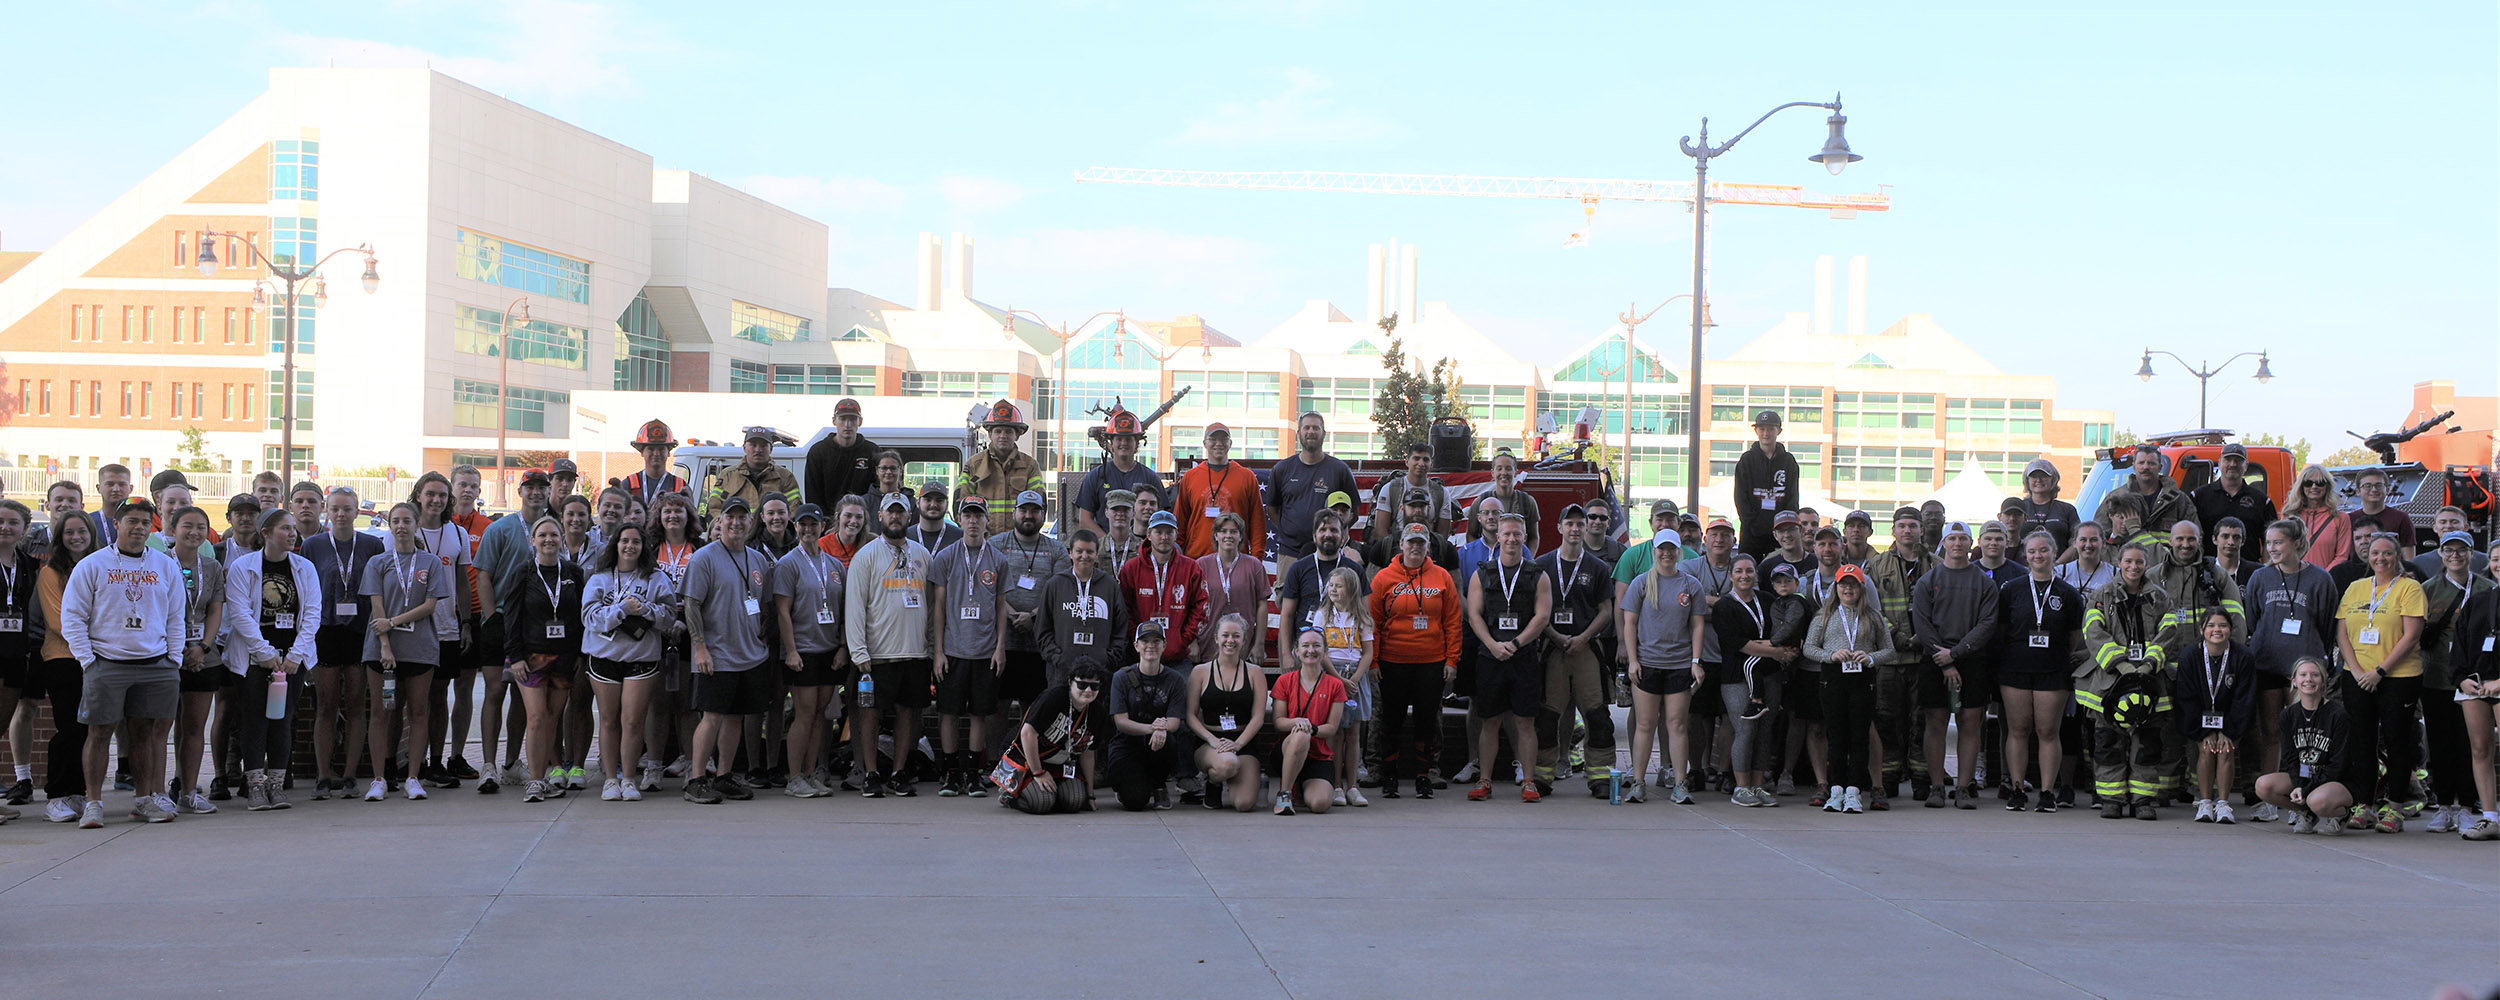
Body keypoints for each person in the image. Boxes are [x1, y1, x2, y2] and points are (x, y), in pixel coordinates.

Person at [60, 499, 186, 827]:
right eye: (132, 521)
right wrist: (88, 660)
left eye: (145, 522)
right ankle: (93, 803)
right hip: (107, 662)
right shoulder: (93, 564)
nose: (139, 527)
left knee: (143, 733)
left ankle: (143, 799)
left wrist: (174, 657)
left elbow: (176, 615)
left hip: (155, 663)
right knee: (99, 732)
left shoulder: (164, 565)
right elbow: (72, 616)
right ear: (117, 524)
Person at [2241, 517, 2340, 823]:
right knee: (2271, 732)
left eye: (2278, 542)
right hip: (2267, 664)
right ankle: (2271, 801)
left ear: (2297, 543)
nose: (2272, 549)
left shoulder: (2321, 579)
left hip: (2306, 669)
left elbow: (2327, 626)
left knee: (2304, 736)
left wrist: (2316, 658)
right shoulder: (2260, 577)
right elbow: (2253, 620)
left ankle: (2305, 795)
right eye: (2269, 543)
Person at [677, 497, 773, 804]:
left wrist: (761, 639)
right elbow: (691, 605)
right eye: (730, 517)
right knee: (712, 717)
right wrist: (700, 648)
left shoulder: (757, 560)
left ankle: (724, 776)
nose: (736, 523)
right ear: (720, 521)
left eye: (742, 517)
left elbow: (764, 604)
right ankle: (696, 780)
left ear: (750, 522)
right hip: (716, 655)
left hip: (749, 655)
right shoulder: (704, 558)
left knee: (735, 717)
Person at [843, 493, 937, 798]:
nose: (895, 517)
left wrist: (931, 648)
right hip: (877, 655)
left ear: (909, 517)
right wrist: (858, 651)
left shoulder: (923, 555)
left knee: (909, 714)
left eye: (901, 512)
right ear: (880, 516)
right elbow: (854, 606)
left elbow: (932, 605)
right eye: (890, 512)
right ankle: (871, 772)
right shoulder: (866, 556)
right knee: (870, 713)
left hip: (915, 651)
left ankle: (898, 772)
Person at [2333, 532, 2424, 833]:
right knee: (2361, 741)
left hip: (2398, 677)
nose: (2380, 558)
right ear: (2367, 556)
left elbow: (2412, 636)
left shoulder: (2409, 588)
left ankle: (2395, 808)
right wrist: (2358, 671)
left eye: (2387, 553)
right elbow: (2342, 633)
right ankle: (2365, 805)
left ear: (2397, 556)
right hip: (2357, 676)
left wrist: (2380, 672)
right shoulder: (2356, 588)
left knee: (2397, 741)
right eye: (2375, 553)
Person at [360, 502, 450, 802]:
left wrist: (393, 622)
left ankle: (413, 777)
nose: (401, 526)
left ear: (416, 525)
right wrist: (385, 643)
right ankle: (379, 779)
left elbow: (430, 605)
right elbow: (377, 606)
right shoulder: (378, 562)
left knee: (419, 711)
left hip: (419, 648)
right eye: (396, 521)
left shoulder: (431, 563)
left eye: (407, 521)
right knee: (382, 712)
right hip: (381, 649)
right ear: (390, 526)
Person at [473, 469, 555, 793]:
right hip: (500, 621)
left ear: (548, 492)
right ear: (519, 492)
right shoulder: (500, 529)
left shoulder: (552, 529)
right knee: (495, 692)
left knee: (524, 697)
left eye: (541, 487)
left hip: (533, 628)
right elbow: (483, 575)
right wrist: (491, 618)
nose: (536, 492)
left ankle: (510, 763)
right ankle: (488, 766)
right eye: (529, 487)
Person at [2079, 542, 2174, 820]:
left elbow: (2169, 632)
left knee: (2147, 745)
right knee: (2108, 744)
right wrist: (2120, 665)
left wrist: (2147, 665)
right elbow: (2093, 631)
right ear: (2119, 563)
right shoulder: (2101, 595)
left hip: (2150, 682)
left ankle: (2142, 801)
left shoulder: (2160, 598)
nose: (2134, 566)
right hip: (2109, 682)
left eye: (2139, 562)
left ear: (2147, 565)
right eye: (2128, 561)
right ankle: (2112, 800)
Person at [583, 520, 676, 802]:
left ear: (643, 546)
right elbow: (589, 618)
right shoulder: (599, 578)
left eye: (636, 541)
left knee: (634, 721)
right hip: (604, 657)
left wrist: (645, 609)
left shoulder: (656, 579)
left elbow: (669, 616)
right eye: (625, 541)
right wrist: (622, 609)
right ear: (616, 545)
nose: (630, 546)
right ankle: (611, 779)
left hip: (641, 658)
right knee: (609, 720)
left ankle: (628, 779)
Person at [302, 486, 384, 798]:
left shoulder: (372, 545)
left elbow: (378, 588)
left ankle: (350, 775)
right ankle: (324, 775)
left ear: (356, 511)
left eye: (347, 509)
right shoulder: (312, 545)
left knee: (356, 704)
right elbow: (306, 588)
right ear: (327, 510)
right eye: (335, 508)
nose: (340, 514)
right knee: (326, 705)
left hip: (360, 631)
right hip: (324, 631)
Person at [1368, 523, 1461, 799]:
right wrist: (1373, 662)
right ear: (1401, 545)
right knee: (1391, 721)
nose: (1415, 547)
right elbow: (1372, 624)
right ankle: (1389, 776)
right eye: (1411, 542)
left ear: (1428, 547)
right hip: (1392, 661)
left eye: (1421, 543)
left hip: (1431, 662)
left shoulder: (1442, 577)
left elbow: (1453, 622)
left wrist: (1452, 660)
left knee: (1426, 722)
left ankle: (1423, 776)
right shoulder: (1383, 578)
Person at [1911, 522, 2000, 808]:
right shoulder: (1928, 581)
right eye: (1952, 538)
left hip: (1972, 660)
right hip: (1935, 659)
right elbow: (1922, 623)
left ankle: (1963, 787)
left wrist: (1957, 654)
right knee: (1935, 722)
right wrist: (1944, 661)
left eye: (1963, 538)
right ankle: (1937, 786)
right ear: (1944, 543)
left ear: (1971, 544)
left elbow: (1987, 623)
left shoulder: (1984, 582)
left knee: (1970, 723)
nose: (1957, 543)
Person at [501, 515, 585, 804]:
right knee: (536, 716)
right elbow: (511, 617)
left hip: (565, 658)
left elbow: (580, 617)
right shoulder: (522, 573)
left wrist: (579, 654)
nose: (549, 539)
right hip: (531, 657)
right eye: (543, 535)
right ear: (533, 540)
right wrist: (514, 656)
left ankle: (546, 777)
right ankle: (535, 781)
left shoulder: (573, 572)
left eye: (554, 535)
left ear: (562, 539)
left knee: (551, 717)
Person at [1535, 504, 1617, 798]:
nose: (1575, 528)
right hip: (1552, 650)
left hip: (1586, 650)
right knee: (1547, 717)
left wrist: (1583, 637)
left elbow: (1606, 611)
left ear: (1585, 528)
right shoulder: (1541, 565)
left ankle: (1600, 776)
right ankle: (1542, 775)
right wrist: (1555, 636)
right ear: (1559, 528)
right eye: (1569, 523)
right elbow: (1535, 610)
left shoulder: (1598, 568)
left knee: (1597, 716)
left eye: (1580, 524)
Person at [928, 496, 1008, 797]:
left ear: (987, 521)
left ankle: (973, 775)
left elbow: (1001, 606)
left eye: (978, 516)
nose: (973, 521)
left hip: (985, 651)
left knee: (979, 714)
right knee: (948, 713)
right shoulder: (946, 557)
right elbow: (938, 607)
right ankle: (951, 774)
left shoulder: (998, 559)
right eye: (968, 515)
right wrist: (938, 651)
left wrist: (1000, 647)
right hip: (952, 650)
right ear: (959, 519)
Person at [1621, 531, 1708, 804]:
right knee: (1645, 724)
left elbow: (1697, 625)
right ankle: (1638, 782)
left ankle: (1680, 784)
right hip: (1647, 663)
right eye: (1662, 549)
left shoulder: (1690, 584)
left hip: (1679, 665)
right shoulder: (1641, 583)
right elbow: (1629, 623)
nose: (1666, 554)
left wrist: (1695, 662)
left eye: (1671, 549)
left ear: (1679, 551)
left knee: (1677, 724)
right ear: (1654, 551)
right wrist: (1633, 660)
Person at [2417, 531, 2493, 833]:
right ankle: (2444, 806)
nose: (2455, 556)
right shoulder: (2428, 589)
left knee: (2470, 745)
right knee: (2440, 743)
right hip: (2436, 677)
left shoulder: (2487, 588)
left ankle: (2467, 807)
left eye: (2462, 550)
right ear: (2440, 554)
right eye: (2449, 550)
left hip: (2474, 680)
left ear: (2472, 554)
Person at [1805, 565, 1895, 814]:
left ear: (1861, 588)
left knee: (1859, 735)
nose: (1848, 589)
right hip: (1833, 677)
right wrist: (1831, 655)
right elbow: (1809, 648)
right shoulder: (1824, 615)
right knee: (1836, 735)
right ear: (1836, 587)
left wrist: (1871, 657)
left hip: (1863, 678)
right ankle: (1836, 790)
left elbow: (1889, 650)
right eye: (1843, 584)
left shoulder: (1873, 616)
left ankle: (1854, 791)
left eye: (1853, 584)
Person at [407, 473, 477, 790]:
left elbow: (462, 582)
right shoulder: (406, 529)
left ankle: (436, 762)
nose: (436, 500)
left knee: (439, 697)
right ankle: (411, 763)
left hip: (446, 628)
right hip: (411, 628)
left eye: (442, 495)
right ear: (418, 495)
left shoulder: (457, 533)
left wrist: (466, 623)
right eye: (430, 494)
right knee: (412, 700)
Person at [1862, 506, 1930, 802]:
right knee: (1887, 720)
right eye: (1902, 526)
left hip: (1925, 658)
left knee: (1921, 722)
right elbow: (1869, 607)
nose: (1907, 531)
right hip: (1890, 657)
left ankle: (1921, 778)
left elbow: (1942, 608)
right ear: (1893, 530)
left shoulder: (1936, 564)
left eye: (1913, 526)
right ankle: (1888, 777)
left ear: (1921, 530)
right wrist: (1896, 635)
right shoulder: (1876, 565)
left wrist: (1924, 636)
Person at [1711, 554, 1790, 806]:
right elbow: (1738, 644)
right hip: (1736, 676)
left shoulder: (1767, 600)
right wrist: (1776, 652)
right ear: (1731, 576)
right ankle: (1741, 787)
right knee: (1745, 729)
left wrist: (1783, 649)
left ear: (1756, 574)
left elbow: (1782, 630)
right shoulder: (1724, 606)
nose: (1744, 575)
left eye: (1749, 571)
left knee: (1765, 731)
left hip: (1769, 674)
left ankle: (1757, 785)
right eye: (1739, 571)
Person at [158, 506, 221, 814]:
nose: (194, 532)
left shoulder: (211, 566)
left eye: (201, 527)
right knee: (161, 728)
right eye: (187, 526)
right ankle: (156, 792)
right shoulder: (157, 563)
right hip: (165, 655)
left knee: (194, 727)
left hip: (202, 655)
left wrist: (203, 647)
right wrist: (177, 650)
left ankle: (189, 792)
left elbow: (215, 610)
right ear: (173, 529)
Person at [36, 512, 97, 820]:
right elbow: (59, 622)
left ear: (91, 534)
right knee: (69, 728)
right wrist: (99, 636)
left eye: (82, 531)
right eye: (69, 532)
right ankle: (57, 795)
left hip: (97, 658)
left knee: (89, 729)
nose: (76, 537)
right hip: (63, 658)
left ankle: (78, 793)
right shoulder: (50, 573)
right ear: (59, 537)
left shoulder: (99, 567)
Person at [2172, 607, 2257, 824]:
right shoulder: (2190, 656)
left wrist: (2229, 731)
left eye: (2222, 625)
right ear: (2202, 629)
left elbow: (2244, 699)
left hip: (2231, 718)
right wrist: (2204, 732)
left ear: (2231, 629)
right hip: (2200, 718)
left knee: (2226, 749)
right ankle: (2205, 802)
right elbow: (2186, 697)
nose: (2217, 630)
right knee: (2206, 748)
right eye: (2211, 625)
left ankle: (2224, 804)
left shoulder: (2243, 656)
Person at [2255, 657, 2356, 836]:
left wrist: (2306, 790)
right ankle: (2306, 813)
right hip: (2305, 775)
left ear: (2323, 681)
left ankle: (2341, 814)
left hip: (2337, 781)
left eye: (2315, 675)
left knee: (2317, 800)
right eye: (2303, 675)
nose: (2308, 679)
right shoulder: (2288, 715)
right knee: (2263, 785)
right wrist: (2298, 785)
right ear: (2294, 681)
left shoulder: (2338, 715)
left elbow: (2338, 764)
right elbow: (2290, 758)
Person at [646, 491, 704, 789]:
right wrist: (661, 621)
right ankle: (653, 767)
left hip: (690, 632)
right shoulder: (649, 548)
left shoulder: (700, 548)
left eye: (678, 511)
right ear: (659, 516)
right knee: (657, 705)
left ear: (688, 515)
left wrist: (684, 621)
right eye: (667, 511)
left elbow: (708, 591)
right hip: (655, 633)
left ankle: (693, 767)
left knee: (687, 705)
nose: (672, 516)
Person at [997, 662, 1109, 814]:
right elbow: (1027, 733)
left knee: (1075, 800)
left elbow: (1088, 753)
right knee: (1042, 802)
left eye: (1094, 686)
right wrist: (1038, 772)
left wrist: (1090, 795)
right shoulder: (1055, 697)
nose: (1088, 690)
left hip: (1059, 761)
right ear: (1070, 682)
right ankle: (1010, 796)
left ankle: (1047, 794)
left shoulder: (1097, 711)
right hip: (1025, 755)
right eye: (1082, 685)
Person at [1305, 566, 1375, 807]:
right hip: (1331, 674)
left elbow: (1368, 653)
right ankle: (1335, 785)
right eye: (1331, 586)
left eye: (1339, 586)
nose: (1333, 590)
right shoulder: (1322, 615)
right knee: (1335, 732)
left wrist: (1355, 678)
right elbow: (1320, 651)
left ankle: (1352, 786)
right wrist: (1338, 679)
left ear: (1351, 589)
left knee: (1353, 733)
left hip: (1355, 676)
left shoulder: (1362, 617)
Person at [996, 491, 1070, 708]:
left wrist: (1033, 617)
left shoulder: (1057, 549)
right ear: (1014, 513)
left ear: (1043, 515)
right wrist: (1012, 615)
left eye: (1035, 510)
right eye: (1023, 510)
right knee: (997, 708)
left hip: (1040, 646)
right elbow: (989, 588)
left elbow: (1061, 591)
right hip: (1002, 644)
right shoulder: (995, 545)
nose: (1028, 515)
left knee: (1033, 709)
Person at [1187, 615, 1267, 812]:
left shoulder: (1255, 672)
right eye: (1225, 635)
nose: (1230, 640)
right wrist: (1212, 740)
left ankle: (1234, 778)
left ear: (1244, 640)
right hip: (1210, 741)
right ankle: (1214, 781)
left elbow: (1258, 717)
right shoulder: (1200, 672)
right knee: (1228, 764)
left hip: (1243, 741)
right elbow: (1190, 715)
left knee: (1243, 804)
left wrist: (1238, 744)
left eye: (1236, 636)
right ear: (1216, 638)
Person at [1106, 623, 1189, 810]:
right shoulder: (1121, 677)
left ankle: (1159, 784)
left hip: (1157, 744)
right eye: (1145, 641)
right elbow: (1121, 722)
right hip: (1127, 744)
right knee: (1135, 801)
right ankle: (1129, 785)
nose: (1150, 645)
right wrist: (1154, 728)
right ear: (1136, 646)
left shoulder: (1175, 679)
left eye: (1156, 641)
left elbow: (1175, 722)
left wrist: (1161, 729)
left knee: (1169, 740)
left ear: (1164, 645)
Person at [2446, 569, 2500, 840]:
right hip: (2475, 685)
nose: (2499, 564)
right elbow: (2460, 643)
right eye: (2496, 559)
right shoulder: (2479, 600)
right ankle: (2490, 818)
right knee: (2480, 749)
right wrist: (2461, 679)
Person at [1036, 530, 1128, 690]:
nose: (1084, 556)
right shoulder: (1055, 584)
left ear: (1097, 554)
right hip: (1061, 673)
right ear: (1070, 553)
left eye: (1089, 552)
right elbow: (1042, 628)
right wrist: (1057, 657)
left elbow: (1121, 627)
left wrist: (1109, 658)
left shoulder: (1109, 585)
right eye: (1079, 551)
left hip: (1100, 673)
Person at [1278, 509, 1366, 673]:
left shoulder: (1354, 569)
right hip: (1307, 652)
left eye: (1334, 530)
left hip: (1344, 656)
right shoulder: (1298, 568)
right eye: (1322, 530)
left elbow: (1365, 613)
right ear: (1314, 536)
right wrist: (1286, 654)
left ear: (1342, 537)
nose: (1328, 534)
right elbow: (1287, 614)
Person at [1271, 629, 1348, 815]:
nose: (1310, 650)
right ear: (1296, 651)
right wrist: (1298, 723)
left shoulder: (1335, 685)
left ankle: (1301, 785)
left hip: (1318, 755)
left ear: (1325, 651)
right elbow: (1278, 722)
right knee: (1300, 736)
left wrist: (1312, 728)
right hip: (1288, 750)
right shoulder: (1284, 681)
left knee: (1319, 804)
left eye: (1316, 646)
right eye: (1305, 646)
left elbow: (1332, 728)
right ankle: (1285, 794)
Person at [1265, 411, 1358, 566]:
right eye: (1306, 427)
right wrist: (1290, 532)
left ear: (1324, 434)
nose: (1311, 432)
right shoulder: (1282, 469)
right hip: (1290, 553)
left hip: (1328, 553)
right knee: (1287, 584)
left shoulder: (1340, 470)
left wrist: (1331, 534)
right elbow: (1272, 509)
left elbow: (1353, 513)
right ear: (1299, 433)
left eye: (1316, 428)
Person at [2153, 520, 2246, 654]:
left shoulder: (2218, 575)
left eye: (2191, 539)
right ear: (2170, 541)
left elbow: (2236, 620)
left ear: (2199, 541)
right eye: (2180, 539)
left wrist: (2229, 657)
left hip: (2207, 660)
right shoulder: (2154, 577)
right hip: (2164, 661)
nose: (2185, 544)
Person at [1174, 424, 1265, 560]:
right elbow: (1180, 520)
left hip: (1236, 559)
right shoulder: (1190, 477)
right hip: (1196, 558)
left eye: (1223, 439)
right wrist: (1178, 558)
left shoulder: (1247, 477)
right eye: (1213, 439)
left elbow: (1257, 522)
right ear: (1205, 443)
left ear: (1230, 443)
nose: (1218, 443)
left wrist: (1257, 558)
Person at [1073, 408, 1160, 537]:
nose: (1123, 443)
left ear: (1137, 443)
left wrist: (1140, 545)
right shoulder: (1095, 477)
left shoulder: (1150, 478)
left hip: (1141, 547)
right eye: (1119, 439)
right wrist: (1108, 544)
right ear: (1111, 443)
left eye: (1128, 439)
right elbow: (1085, 520)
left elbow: (1160, 517)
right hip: (1104, 548)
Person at [1197, 514, 1268, 667]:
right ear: (1216, 535)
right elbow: (1191, 606)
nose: (1228, 535)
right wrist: (1192, 642)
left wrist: (1259, 644)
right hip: (1207, 643)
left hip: (1244, 644)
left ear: (1241, 536)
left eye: (1234, 531)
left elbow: (1262, 605)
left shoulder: (1254, 565)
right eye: (1223, 531)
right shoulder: (1201, 565)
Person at [959, 400, 1045, 524]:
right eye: (998, 431)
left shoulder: (1030, 466)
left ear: (1017, 435)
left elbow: (1039, 505)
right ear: (990, 434)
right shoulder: (974, 465)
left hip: (1017, 535)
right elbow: (961, 503)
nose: (1003, 436)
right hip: (983, 535)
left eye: (1008, 431)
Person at [2191, 443, 2276, 564]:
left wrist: (2267, 570)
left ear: (2246, 465)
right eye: (2228, 459)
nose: (2233, 464)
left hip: (2249, 571)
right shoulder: (2199, 497)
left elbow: (2271, 541)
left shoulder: (2262, 501)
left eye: (2238, 460)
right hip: (2208, 569)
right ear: (2219, 463)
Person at [1733, 409, 1800, 559]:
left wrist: (1785, 526)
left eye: (1770, 429)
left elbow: (1792, 496)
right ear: (1756, 431)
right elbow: (1740, 497)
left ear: (1779, 431)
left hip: (1780, 532)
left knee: (1780, 569)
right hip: (1751, 532)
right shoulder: (1747, 460)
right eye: (1762, 429)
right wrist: (1752, 523)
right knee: (1748, 567)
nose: (1766, 433)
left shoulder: (1788, 461)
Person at [705, 426, 800, 521]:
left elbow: (794, 509)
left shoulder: (785, 477)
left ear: (771, 449)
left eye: (763, 446)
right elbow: (714, 508)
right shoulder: (727, 475)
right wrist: (728, 525)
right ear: (744, 448)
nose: (758, 450)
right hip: (737, 529)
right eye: (753, 445)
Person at [803, 398, 880, 510]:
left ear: (860, 421)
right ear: (834, 420)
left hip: (863, 517)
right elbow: (812, 495)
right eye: (842, 419)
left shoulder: (873, 452)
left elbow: (878, 492)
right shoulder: (818, 452)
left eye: (852, 419)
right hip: (827, 519)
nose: (847, 424)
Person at [1369, 442, 1449, 544]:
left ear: (1431, 464)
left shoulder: (1442, 493)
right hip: (1395, 548)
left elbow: (1442, 536)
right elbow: (1381, 532)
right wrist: (1399, 551)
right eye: (1416, 458)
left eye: (1425, 460)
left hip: (1429, 548)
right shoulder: (1389, 489)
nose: (1421, 464)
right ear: (1407, 461)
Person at [1366, 489, 1457, 573]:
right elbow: (1372, 583)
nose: (1418, 510)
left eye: (1422, 506)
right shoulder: (1385, 546)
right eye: (1412, 506)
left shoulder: (1444, 547)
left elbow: (1455, 584)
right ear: (1402, 508)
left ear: (1429, 509)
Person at [2285, 465, 2352, 570]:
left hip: (2327, 577)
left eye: (2320, 483)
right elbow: (2281, 551)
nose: (2314, 487)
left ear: (2327, 486)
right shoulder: (2289, 516)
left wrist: (2322, 576)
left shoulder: (2340, 518)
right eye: (2308, 483)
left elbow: (2342, 556)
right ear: (2301, 486)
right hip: (2293, 577)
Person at [2010, 459, 2082, 556]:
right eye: (2034, 476)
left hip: (2059, 564)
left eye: (2043, 476)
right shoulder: (2019, 507)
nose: (2038, 480)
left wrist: (2058, 563)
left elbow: (2077, 542)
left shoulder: (2067, 509)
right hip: (2022, 564)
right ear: (2027, 481)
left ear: (2053, 480)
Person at [622, 419, 690, 510]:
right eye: (651, 449)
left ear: (668, 453)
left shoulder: (680, 486)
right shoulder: (628, 485)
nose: (656, 453)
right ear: (642, 452)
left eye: (661, 449)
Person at [1483, 451, 1542, 555]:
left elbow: (1534, 537)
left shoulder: (1527, 502)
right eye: (1499, 468)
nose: (1504, 473)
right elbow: (1471, 534)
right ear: (1492, 473)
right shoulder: (1482, 501)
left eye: (1508, 468)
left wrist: (1528, 559)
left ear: (1515, 472)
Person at [2124, 444, 2192, 534]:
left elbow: (2195, 536)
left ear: (2160, 467)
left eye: (2151, 463)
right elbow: (2105, 536)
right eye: (2141, 463)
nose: (2146, 467)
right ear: (2134, 467)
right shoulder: (2118, 498)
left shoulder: (2179, 500)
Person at [2412, 508, 2492, 580]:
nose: (2448, 526)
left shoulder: (2485, 561)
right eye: (2443, 522)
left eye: (2454, 522)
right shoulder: (2420, 562)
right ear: (2435, 528)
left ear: (2466, 527)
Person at [2348, 468, 2415, 553]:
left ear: (2387, 490)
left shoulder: (2401, 518)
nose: (2374, 490)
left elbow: (2408, 557)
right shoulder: (2348, 519)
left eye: (2379, 485)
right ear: (2358, 491)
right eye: (2367, 486)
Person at [2056, 520, 2115, 594]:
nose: (2088, 545)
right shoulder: (2060, 573)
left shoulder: (2114, 574)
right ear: (2074, 543)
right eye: (2083, 540)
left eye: (2094, 540)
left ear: (2103, 543)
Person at [88, 464, 134, 546]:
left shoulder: (141, 523)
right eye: (110, 484)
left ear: (131, 488)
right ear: (98, 488)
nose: (116, 489)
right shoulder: (88, 522)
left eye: (122, 484)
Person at [1759, 511, 1811, 582]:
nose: (1787, 535)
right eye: (1781, 531)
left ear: (1801, 531)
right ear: (1775, 535)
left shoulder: (1817, 563)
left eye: (1791, 529)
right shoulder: (1766, 568)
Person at [817, 494, 870, 563]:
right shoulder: (822, 545)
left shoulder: (870, 545)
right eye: (848, 516)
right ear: (837, 516)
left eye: (859, 517)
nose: (853, 521)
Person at [1098, 490, 1143, 570]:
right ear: (1106, 512)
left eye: (1126, 510)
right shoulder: (1097, 547)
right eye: (1115, 509)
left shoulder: (1143, 548)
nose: (1120, 514)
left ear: (1133, 513)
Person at [751, 494, 799, 563]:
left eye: (781, 512)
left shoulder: (798, 546)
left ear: (789, 514)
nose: (776, 517)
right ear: (762, 517)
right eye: (771, 513)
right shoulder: (754, 548)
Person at [2212, 517, 2256, 588]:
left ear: (2243, 541)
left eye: (2236, 537)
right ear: (2214, 539)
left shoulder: (2256, 572)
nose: (2231, 542)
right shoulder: (2205, 571)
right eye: (2225, 536)